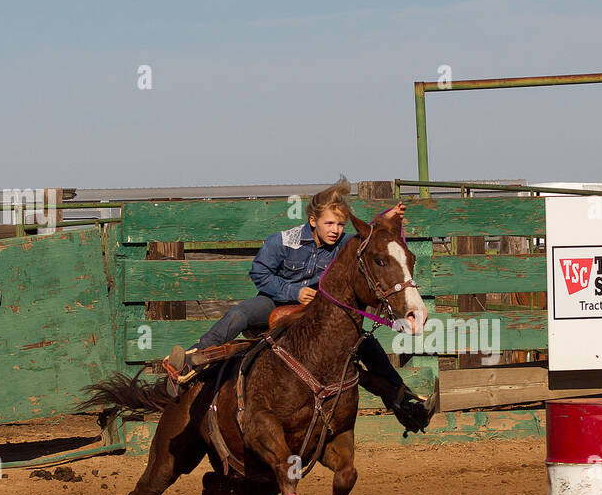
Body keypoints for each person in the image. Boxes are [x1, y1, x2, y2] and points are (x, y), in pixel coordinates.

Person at [162, 179, 430, 432]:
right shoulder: (281, 241)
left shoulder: (342, 244)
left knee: (365, 342)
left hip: (313, 311)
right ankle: (193, 360)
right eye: (330, 224)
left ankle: (401, 398)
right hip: (274, 301)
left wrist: (387, 217)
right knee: (240, 313)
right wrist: (293, 290)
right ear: (313, 221)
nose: (336, 230)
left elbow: (369, 236)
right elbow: (260, 273)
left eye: (339, 224)